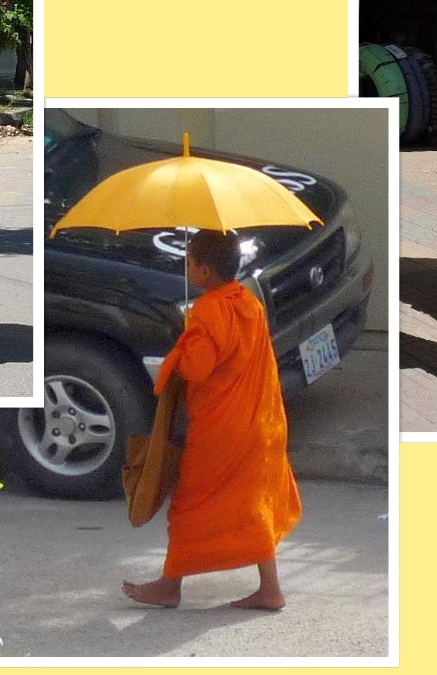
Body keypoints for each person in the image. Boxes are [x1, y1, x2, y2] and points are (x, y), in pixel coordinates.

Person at [121, 230, 302, 610]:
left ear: (204, 271)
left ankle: (170, 585)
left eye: (189, 262)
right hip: (261, 423)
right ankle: (270, 589)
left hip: (222, 430)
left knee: (189, 506)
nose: (186, 268)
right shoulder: (249, 302)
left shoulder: (208, 310)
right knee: (253, 505)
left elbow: (197, 369)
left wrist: (182, 346)